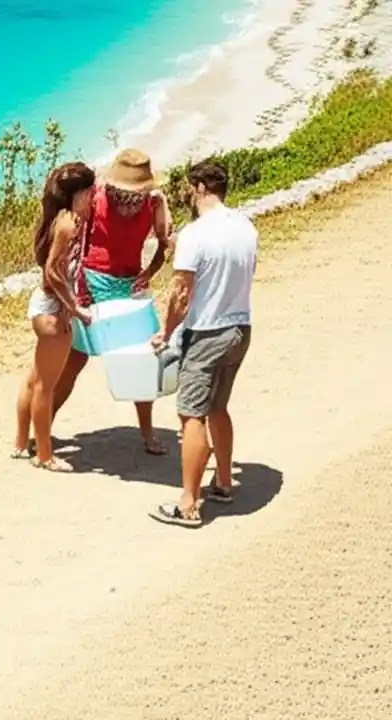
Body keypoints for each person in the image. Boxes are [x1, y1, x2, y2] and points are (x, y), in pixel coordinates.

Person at [148, 160, 257, 527]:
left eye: (188, 188)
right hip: (240, 327)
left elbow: (181, 292)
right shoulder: (245, 227)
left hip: (207, 333)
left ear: (199, 189)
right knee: (218, 407)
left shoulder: (195, 234)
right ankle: (224, 481)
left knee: (191, 413)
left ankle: (189, 504)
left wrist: (167, 331)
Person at [50, 148, 173, 456]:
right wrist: (72, 293)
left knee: (142, 359)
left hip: (130, 285)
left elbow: (164, 242)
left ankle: (147, 432)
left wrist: (151, 271)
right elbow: (68, 231)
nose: (127, 197)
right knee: (75, 361)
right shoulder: (96, 197)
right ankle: (43, 426)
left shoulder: (154, 203)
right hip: (93, 284)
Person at [13, 162, 97, 471]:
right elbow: (52, 272)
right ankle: (44, 455)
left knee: (35, 378)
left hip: (45, 306)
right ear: (80, 193)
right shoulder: (67, 225)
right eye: (90, 192)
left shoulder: (59, 219)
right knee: (44, 386)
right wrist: (73, 307)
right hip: (52, 313)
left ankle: (21, 442)